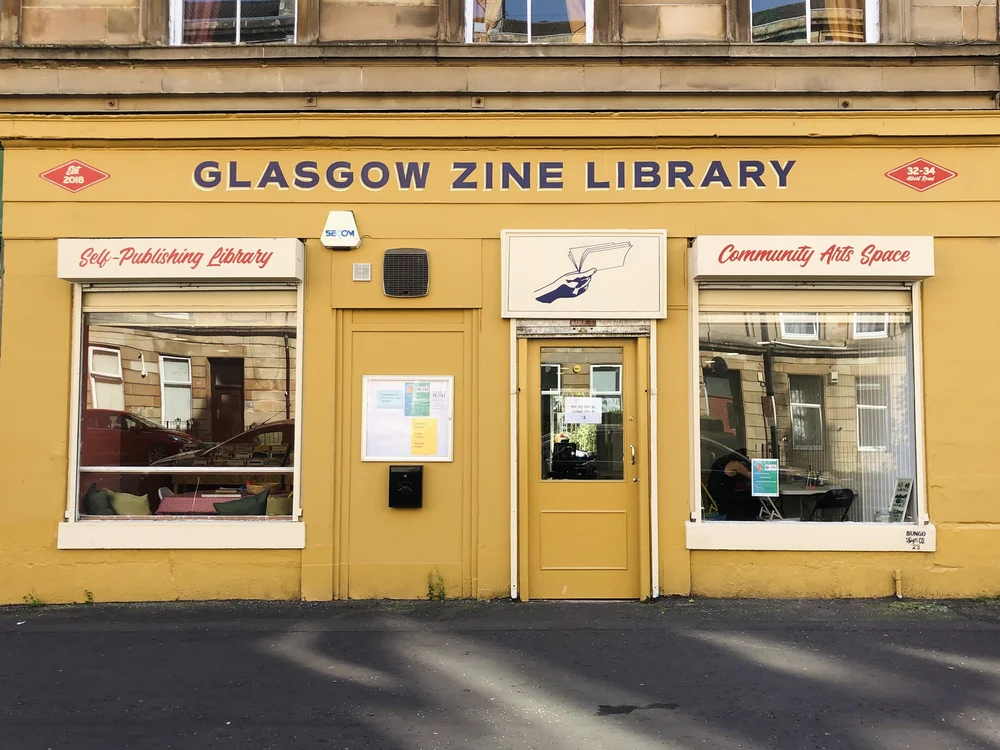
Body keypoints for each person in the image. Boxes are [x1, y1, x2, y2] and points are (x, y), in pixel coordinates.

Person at [706, 447, 757, 521]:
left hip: (715, 496)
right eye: (746, 456)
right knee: (749, 496)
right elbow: (751, 476)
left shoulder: (721, 462)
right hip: (724, 500)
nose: (748, 458)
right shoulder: (735, 464)